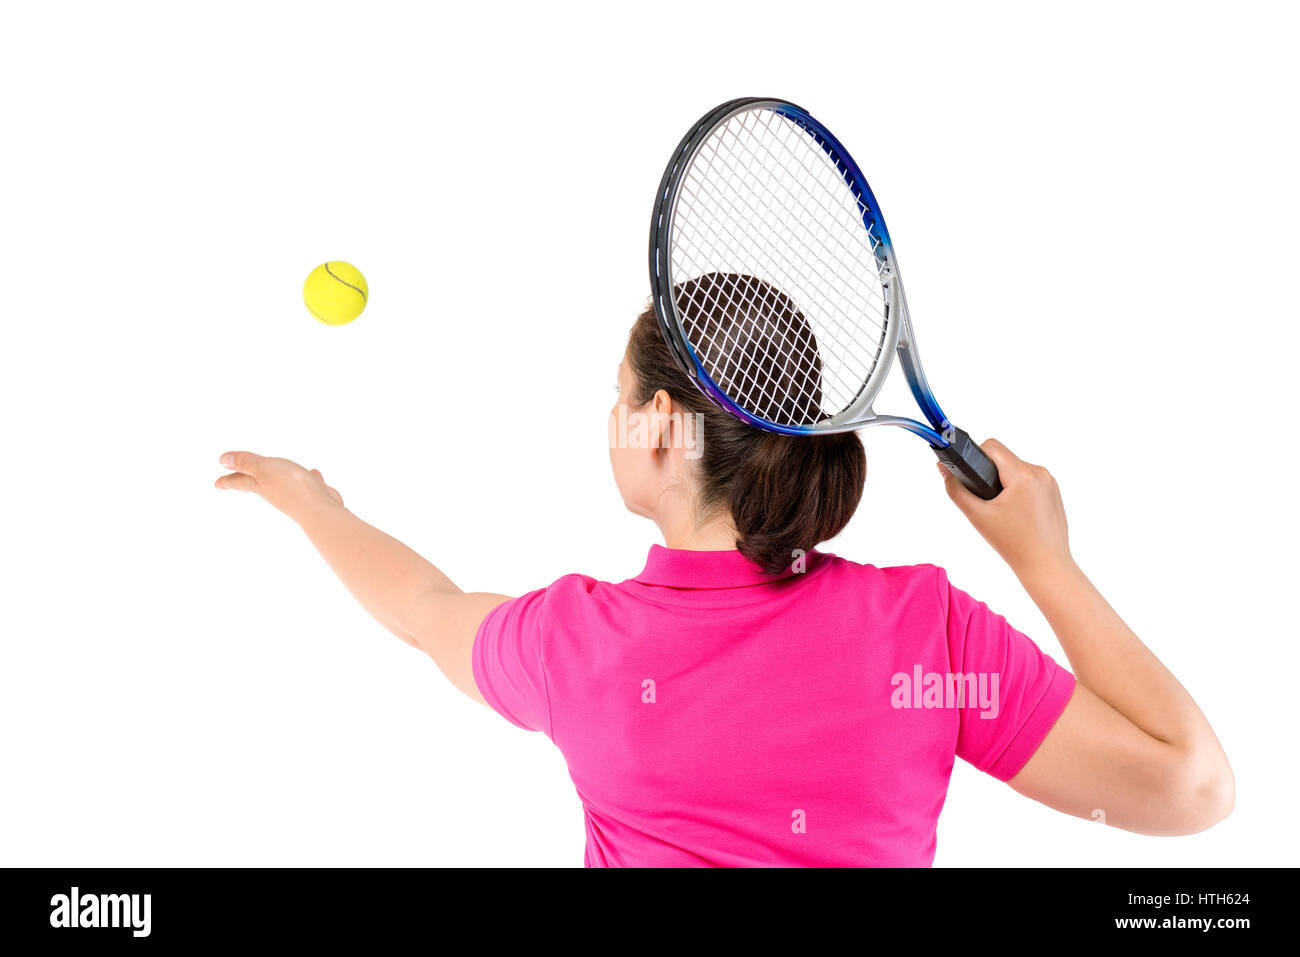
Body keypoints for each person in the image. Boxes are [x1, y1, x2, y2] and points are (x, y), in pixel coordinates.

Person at [215, 279, 1233, 866]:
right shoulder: (924, 633)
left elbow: (422, 609)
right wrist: (1042, 559)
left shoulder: (579, 649)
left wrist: (316, 506)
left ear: (658, 426)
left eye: (615, 396)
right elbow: (1190, 788)